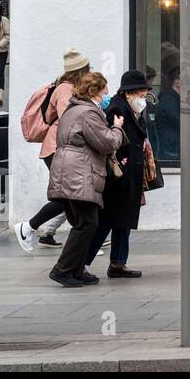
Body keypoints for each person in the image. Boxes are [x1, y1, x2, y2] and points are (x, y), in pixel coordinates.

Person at [45, 72, 125, 287]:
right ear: (93, 91)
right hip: (79, 173)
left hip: (68, 171)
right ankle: (62, 270)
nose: (106, 96)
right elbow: (106, 142)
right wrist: (117, 127)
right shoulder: (88, 113)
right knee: (86, 224)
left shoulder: (73, 109)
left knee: (83, 223)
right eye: (103, 91)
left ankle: (77, 269)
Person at [11, 48, 91, 252]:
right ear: (79, 71)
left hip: (63, 148)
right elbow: (70, 118)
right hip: (58, 148)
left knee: (71, 198)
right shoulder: (65, 89)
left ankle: (79, 240)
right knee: (69, 198)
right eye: (87, 69)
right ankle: (29, 227)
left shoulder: (70, 87)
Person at [86, 70, 151, 278]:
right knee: (108, 220)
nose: (143, 98)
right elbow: (112, 139)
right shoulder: (117, 108)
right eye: (141, 93)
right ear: (129, 93)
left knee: (123, 220)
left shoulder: (132, 109)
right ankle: (82, 261)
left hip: (129, 174)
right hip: (119, 175)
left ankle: (118, 263)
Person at [154, 69, 180, 161]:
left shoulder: (172, 99)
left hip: (172, 146)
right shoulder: (169, 100)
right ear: (177, 82)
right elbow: (179, 120)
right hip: (171, 149)